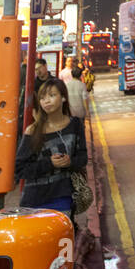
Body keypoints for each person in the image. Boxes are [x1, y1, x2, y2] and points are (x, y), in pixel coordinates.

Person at [15, 77, 87, 218]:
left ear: (64, 98)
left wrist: (70, 162)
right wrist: (50, 163)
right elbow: (19, 169)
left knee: (62, 239)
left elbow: (83, 157)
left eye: (52, 95)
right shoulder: (33, 131)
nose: (46, 101)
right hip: (34, 200)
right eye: (42, 98)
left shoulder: (75, 124)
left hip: (63, 196)